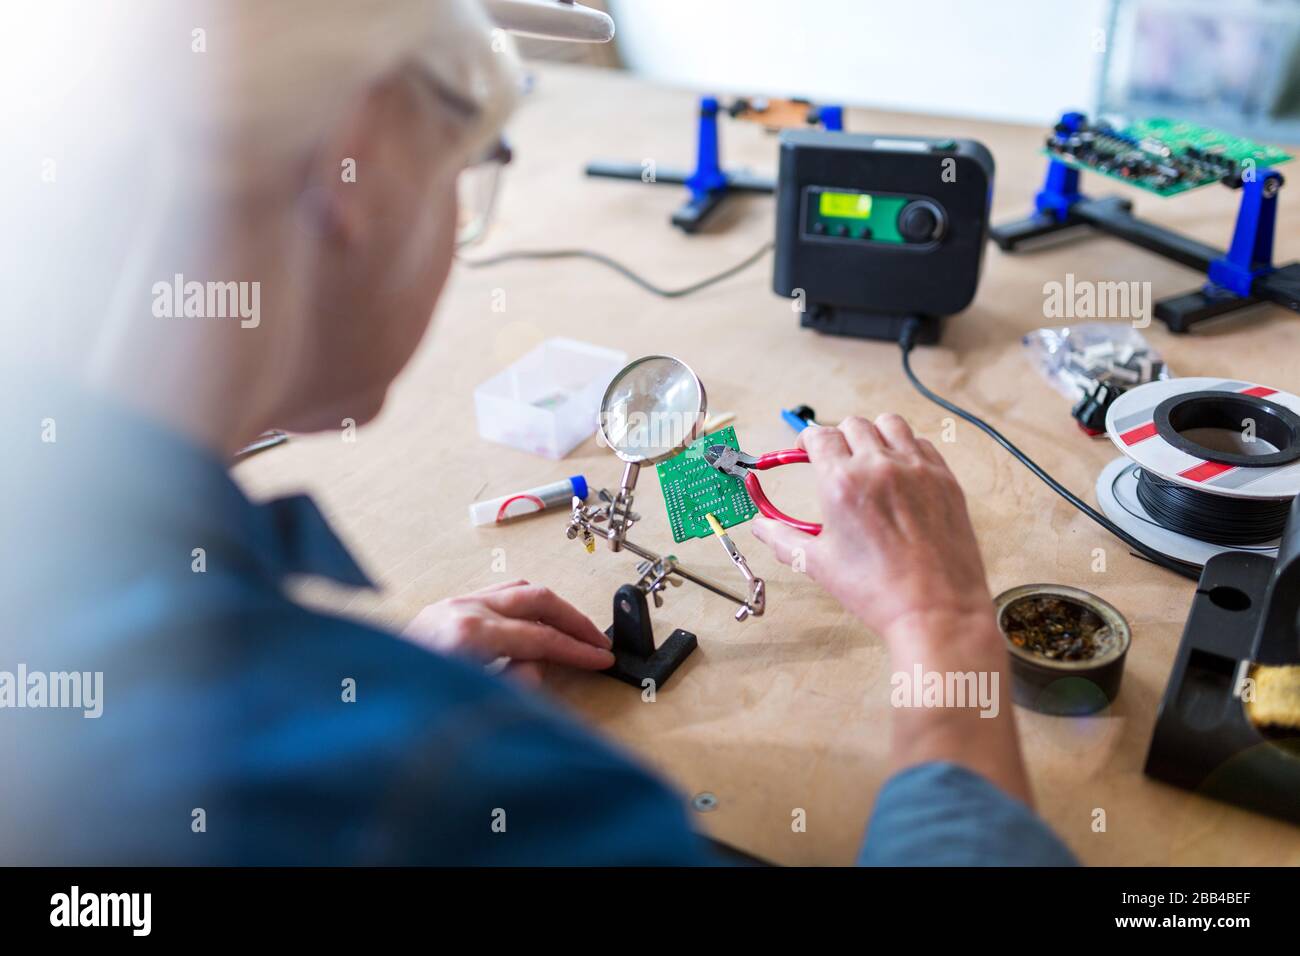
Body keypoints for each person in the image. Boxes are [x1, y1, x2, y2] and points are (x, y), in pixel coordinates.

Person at [0, 0, 1074, 865]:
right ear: (355, 164)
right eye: (470, 177)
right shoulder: (480, 790)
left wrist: (360, 701)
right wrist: (942, 621)